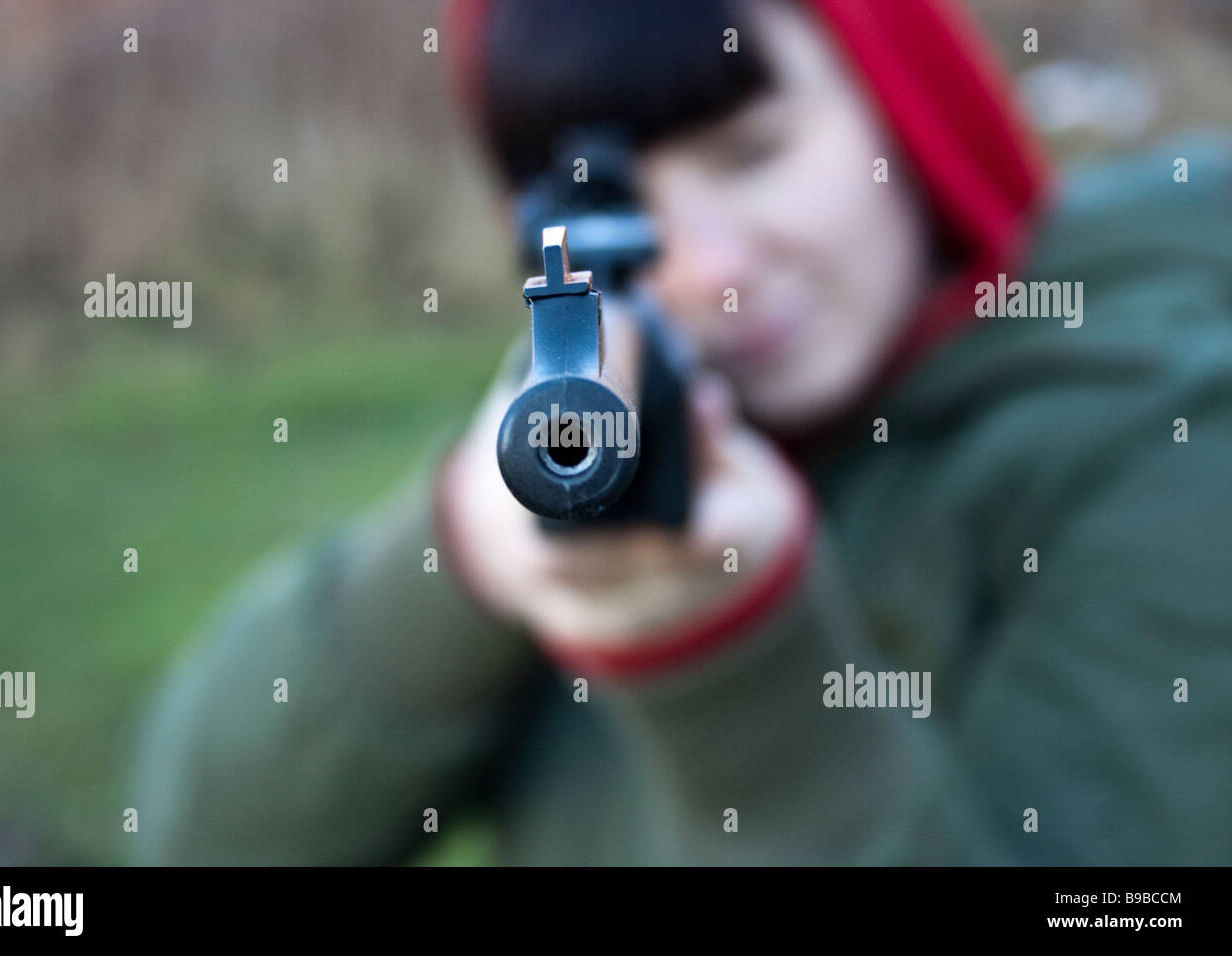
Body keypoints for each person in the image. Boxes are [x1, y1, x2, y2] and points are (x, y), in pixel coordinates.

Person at [130, 0, 1232, 864]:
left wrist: (726, 656)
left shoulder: (1165, 440)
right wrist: (460, 550)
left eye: (751, 154)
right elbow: (198, 839)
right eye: (610, 209)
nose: (703, 268)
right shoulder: (591, 423)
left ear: (904, 107)